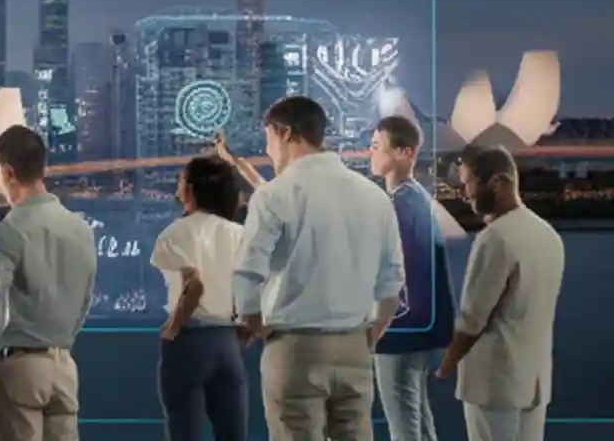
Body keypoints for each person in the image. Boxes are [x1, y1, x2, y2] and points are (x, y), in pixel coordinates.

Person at [232, 96, 406, 441]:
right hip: (355, 346)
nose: (268, 152)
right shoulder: (374, 197)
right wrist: (369, 336)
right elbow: (392, 284)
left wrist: (257, 325)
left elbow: (247, 273)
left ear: (285, 133)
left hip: (294, 348)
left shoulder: (275, 195)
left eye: (268, 141)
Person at [0, 125, 97, 441]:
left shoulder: (11, 229)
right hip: (64, 365)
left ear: (8, 172)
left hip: (20, 367)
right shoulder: (80, 228)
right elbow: (86, 299)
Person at [435, 146, 564, 441]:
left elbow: (473, 319)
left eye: (468, 184)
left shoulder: (495, 239)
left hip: (494, 384)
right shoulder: (549, 236)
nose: (464, 194)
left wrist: (446, 365)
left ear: (497, 182)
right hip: (534, 381)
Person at [369, 116, 456, 441]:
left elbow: (407, 275)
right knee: (416, 415)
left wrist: (379, 326)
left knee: (403, 422)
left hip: (403, 330)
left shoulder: (403, 205)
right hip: (421, 329)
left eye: (377, 146)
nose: (371, 153)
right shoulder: (415, 197)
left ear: (405, 153)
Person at [152, 155, 248, 441]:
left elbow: (194, 286)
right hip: (228, 341)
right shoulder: (239, 234)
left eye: (181, 179)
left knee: (185, 432)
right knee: (233, 433)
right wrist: (248, 329)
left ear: (191, 189)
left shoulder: (175, 233)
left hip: (190, 341)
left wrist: (173, 327)